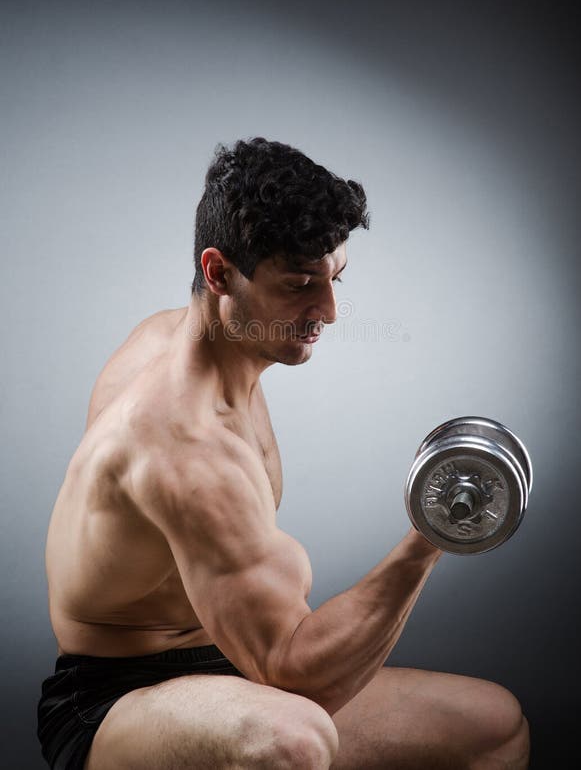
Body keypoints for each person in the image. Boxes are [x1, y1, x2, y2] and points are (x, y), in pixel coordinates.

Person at [37, 137, 530, 769]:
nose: (327, 309)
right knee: (292, 742)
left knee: (494, 726)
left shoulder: (199, 339)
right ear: (219, 273)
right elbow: (296, 676)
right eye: (299, 283)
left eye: (335, 278)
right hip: (115, 702)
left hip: (228, 665)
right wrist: (428, 537)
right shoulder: (180, 445)